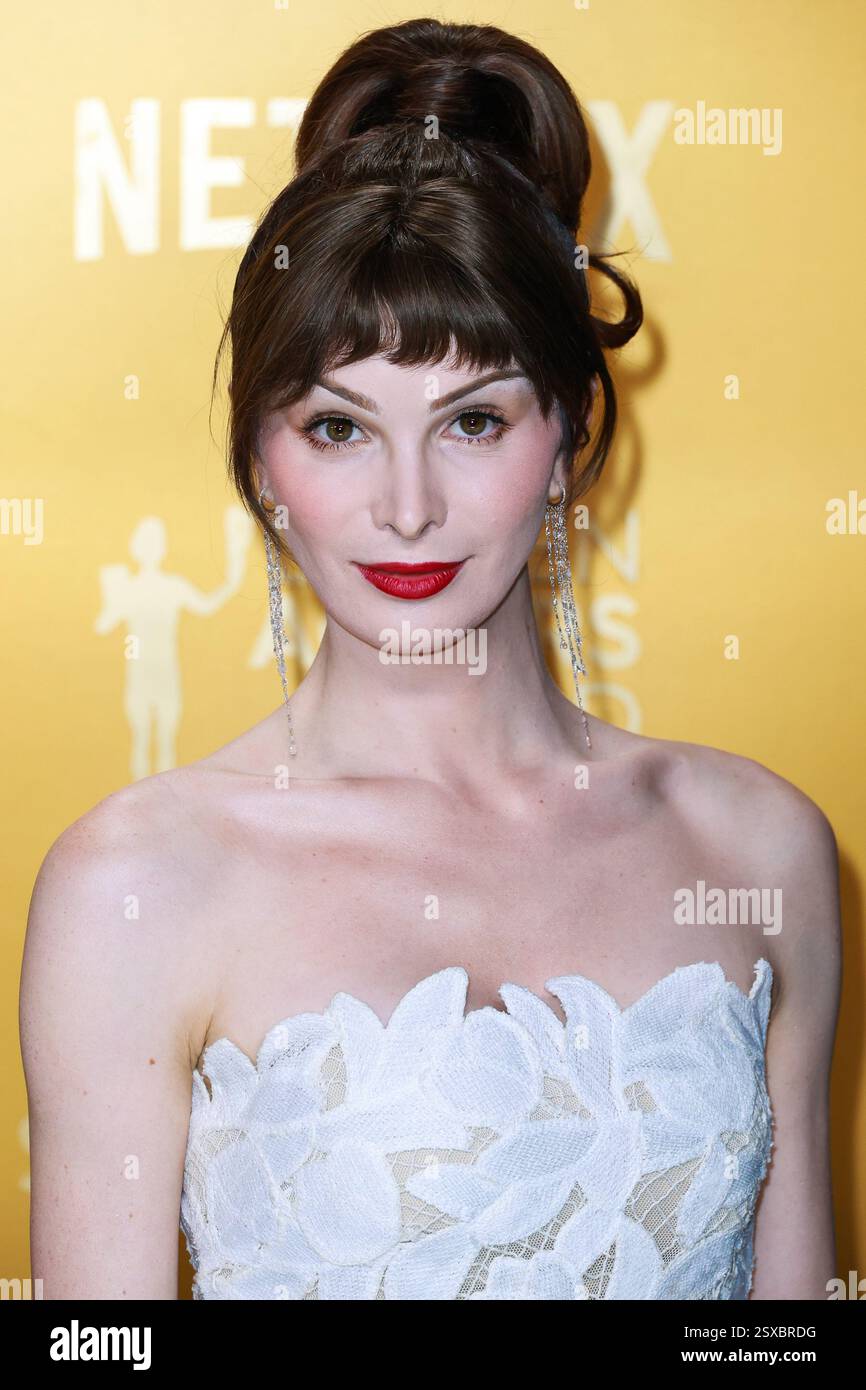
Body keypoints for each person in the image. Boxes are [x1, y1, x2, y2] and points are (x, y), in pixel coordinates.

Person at [20, 17, 840, 1301]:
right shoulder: (137, 885)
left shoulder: (756, 847)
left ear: (567, 439)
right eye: (339, 426)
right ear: (257, 462)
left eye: (472, 418)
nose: (407, 506)